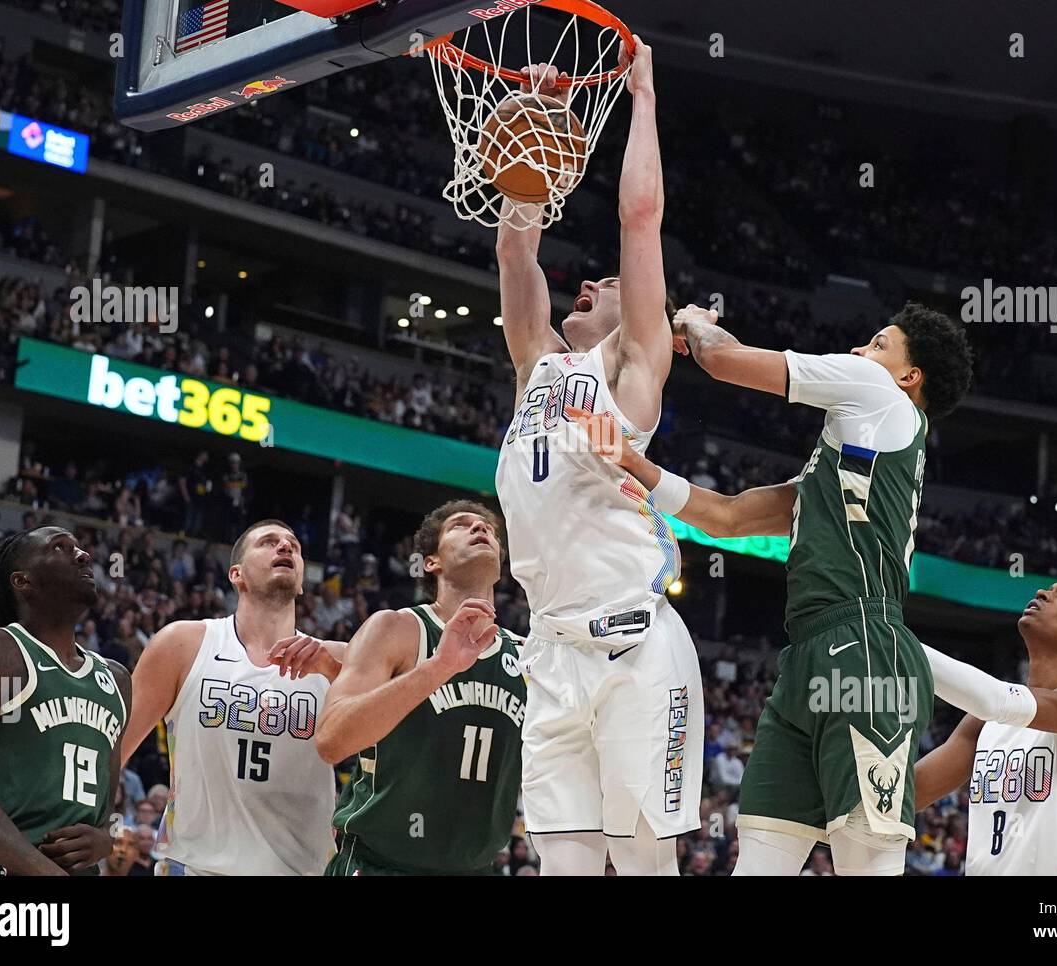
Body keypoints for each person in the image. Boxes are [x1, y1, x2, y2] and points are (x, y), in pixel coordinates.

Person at [568, 298, 973, 875]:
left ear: (909, 377)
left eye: (878, 344)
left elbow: (723, 360)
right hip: (807, 653)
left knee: (866, 862)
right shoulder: (839, 469)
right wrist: (631, 461)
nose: (859, 350)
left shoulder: (876, 391)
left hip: (865, 645)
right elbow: (727, 517)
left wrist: (692, 323)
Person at [492, 40, 703, 876]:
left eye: (609, 286)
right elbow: (517, 252)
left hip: (633, 647)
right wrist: (538, 131)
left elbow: (639, 220)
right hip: (549, 651)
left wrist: (642, 96)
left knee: (645, 866)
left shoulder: (633, 368)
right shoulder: (537, 366)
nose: (590, 285)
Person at [120, 520, 341, 875]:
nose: (285, 547)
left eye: (294, 546)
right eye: (268, 542)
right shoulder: (182, 644)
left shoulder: (337, 660)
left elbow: (385, 751)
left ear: (301, 582)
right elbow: (115, 748)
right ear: (236, 574)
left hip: (302, 869)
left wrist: (337, 673)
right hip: (195, 866)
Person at [318, 501, 524, 875]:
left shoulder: (526, 655)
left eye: (489, 529)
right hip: (382, 864)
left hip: (476, 868)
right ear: (432, 562)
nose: (480, 528)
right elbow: (332, 739)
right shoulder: (396, 628)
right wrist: (437, 668)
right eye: (461, 525)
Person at [914, 567, 1057, 875]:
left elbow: (996, 699)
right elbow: (910, 794)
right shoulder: (984, 721)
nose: (1042, 593)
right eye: (1049, 589)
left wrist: (892, 643)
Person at [0, 527, 131, 875]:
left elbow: (105, 804)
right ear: (22, 581)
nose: (83, 555)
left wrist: (106, 837)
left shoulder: (116, 678)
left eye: (79, 546)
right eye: (60, 548)